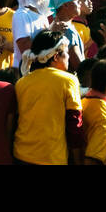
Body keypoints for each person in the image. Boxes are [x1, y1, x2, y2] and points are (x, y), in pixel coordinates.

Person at [13, 30, 84, 165]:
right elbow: (74, 124)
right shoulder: (68, 80)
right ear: (56, 56)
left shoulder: (22, 82)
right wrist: (78, 159)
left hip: (20, 155)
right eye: (66, 53)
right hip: (51, 158)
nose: (68, 57)